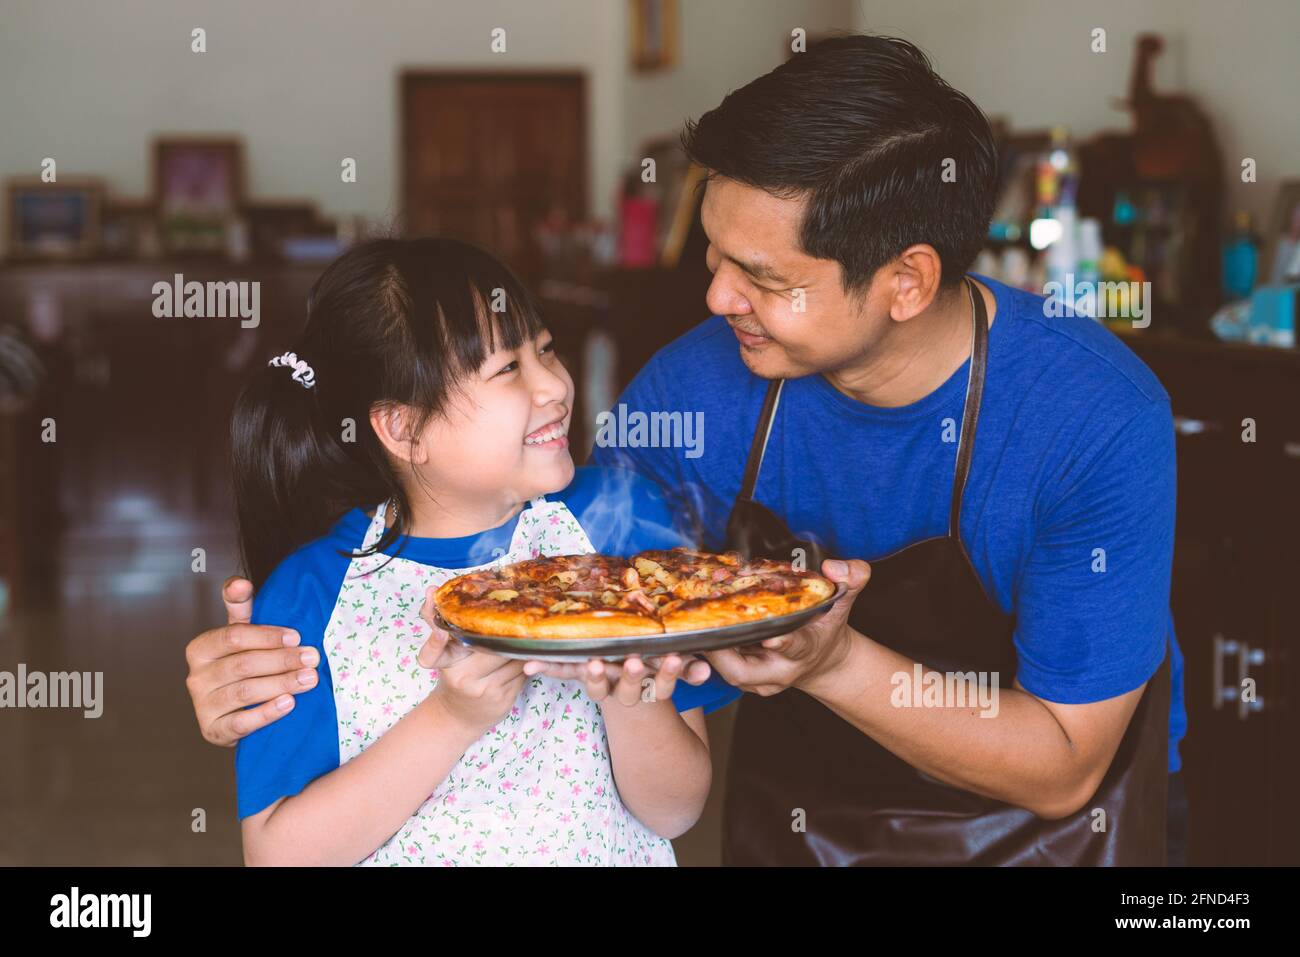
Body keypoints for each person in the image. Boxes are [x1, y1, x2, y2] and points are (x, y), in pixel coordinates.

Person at [188, 34, 1187, 866]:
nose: (715, 299)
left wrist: (830, 661)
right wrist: (274, 655)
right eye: (711, 255)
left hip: (1053, 835)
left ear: (905, 280)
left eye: (760, 275)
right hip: (804, 818)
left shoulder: (1089, 418)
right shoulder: (695, 388)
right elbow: (515, 531)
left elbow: (1062, 762)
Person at [221, 236, 736, 866]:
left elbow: (675, 811)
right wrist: (452, 716)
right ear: (404, 429)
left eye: (544, 349)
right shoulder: (313, 593)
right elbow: (281, 858)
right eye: (508, 370)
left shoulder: (622, 529)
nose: (553, 386)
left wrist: (628, 694)